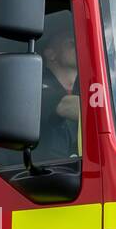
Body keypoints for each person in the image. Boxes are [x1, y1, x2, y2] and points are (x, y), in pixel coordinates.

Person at [35, 26, 80, 162]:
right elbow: (65, 105)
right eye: (72, 43)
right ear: (50, 54)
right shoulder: (35, 85)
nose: (80, 47)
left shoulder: (84, 90)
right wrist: (114, 109)